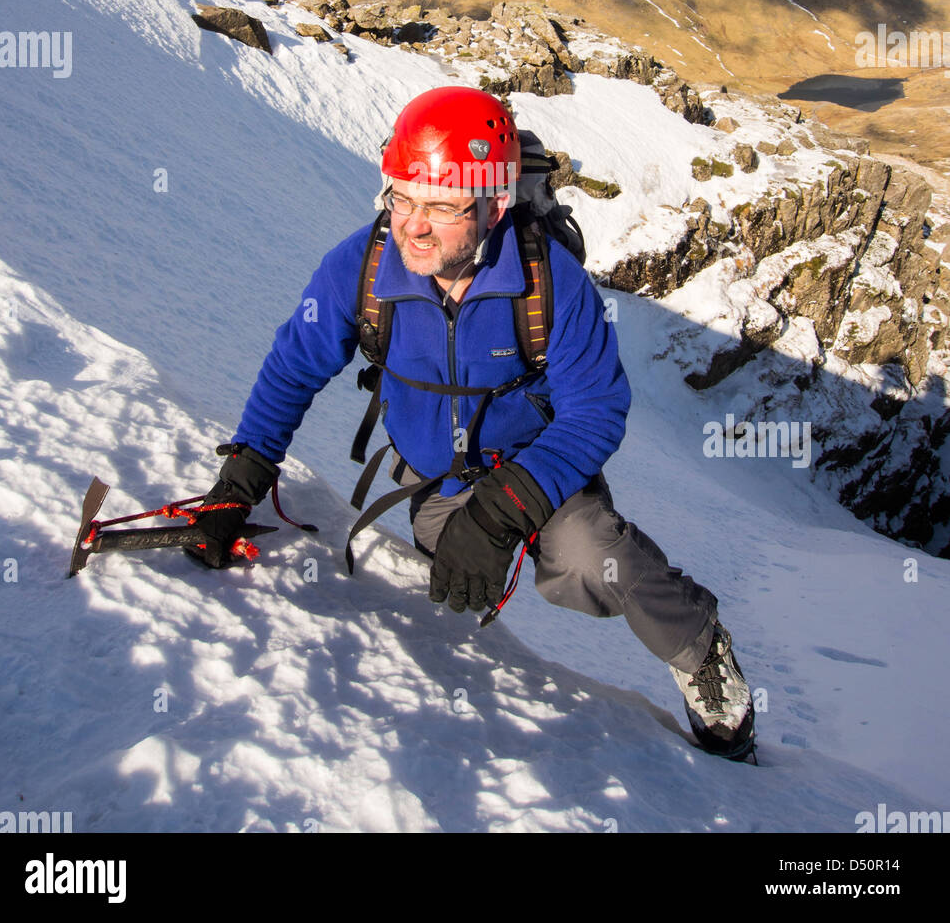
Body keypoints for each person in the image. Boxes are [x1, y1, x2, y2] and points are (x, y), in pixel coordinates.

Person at [189, 85, 755, 760]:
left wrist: (501, 513)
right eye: (400, 199)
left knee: (593, 558)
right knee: (447, 563)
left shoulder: (549, 281)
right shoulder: (362, 268)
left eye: (440, 206)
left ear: (493, 206)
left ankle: (700, 653)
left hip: (539, 471)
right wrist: (241, 478)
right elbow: (294, 366)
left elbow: (595, 409)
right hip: (436, 480)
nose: (412, 227)